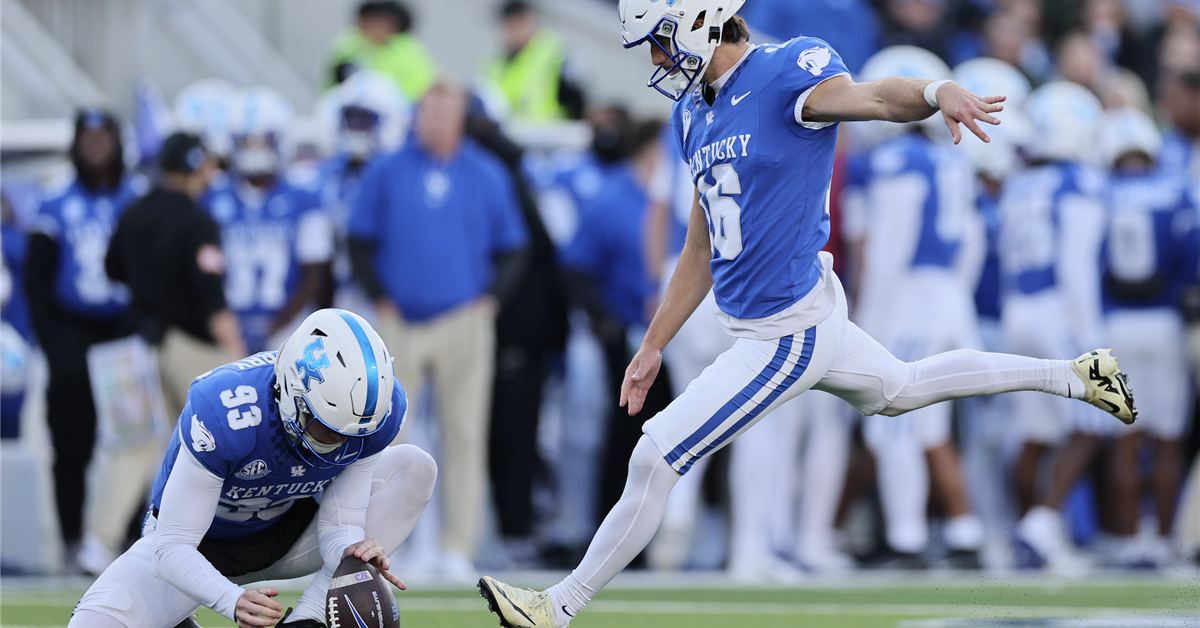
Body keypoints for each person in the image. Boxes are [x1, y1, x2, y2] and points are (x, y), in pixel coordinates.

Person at [479, 1, 1135, 625]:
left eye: (660, 37)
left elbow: (876, 98)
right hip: (776, 318)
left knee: (655, 456)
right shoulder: (691, 114)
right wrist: (654, 343)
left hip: (784, 328)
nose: (654, 56)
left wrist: (936, 93)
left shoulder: (786, 71)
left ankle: (555, 608)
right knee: (901, 389)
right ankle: (1075, 375)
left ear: (703, 22)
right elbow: (701, 245)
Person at [67, 308, 437, 628]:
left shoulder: (372, 416)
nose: (340, 444)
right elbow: (172, 546)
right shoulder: (225, 410)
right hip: (199, 548)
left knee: (415, 467)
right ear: (293, 394)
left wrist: (351, 553)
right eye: (326, 427)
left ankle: (305, 620)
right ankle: (177, 615)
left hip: (289, 536)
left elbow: (340, 522)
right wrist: (232, 600)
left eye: (352, 434)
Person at [348, 81, 529, 581]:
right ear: (416, 117)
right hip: (399, 319)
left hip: (462, 318)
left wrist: (490, 301)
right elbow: (359, 239)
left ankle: (457, 546)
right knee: (389, 439)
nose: (436, 124)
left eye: (447, 115)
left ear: (461, 119)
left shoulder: (487, 173)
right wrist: (379, 296)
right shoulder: (387, 169)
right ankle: (386, 545)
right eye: (429, 114)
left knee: (465, 432)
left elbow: (515, 246)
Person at [852, 45, 987, 570]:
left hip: (909, 296)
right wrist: (953, 298)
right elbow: (972, 242)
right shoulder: (950, 159)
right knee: (931, 428)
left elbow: (888, 247)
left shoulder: (892, 160)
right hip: (948, 294)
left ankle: (907, 540)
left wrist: (872, 315)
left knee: (891, 420)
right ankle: (963, 531)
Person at [25, 109, 147, 573]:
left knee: (133, 442)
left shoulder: (136, 198)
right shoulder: (54, 200)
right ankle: (74, 541)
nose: (96, 146)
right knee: (70, 443)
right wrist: (51, 340)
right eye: (87, 138)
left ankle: (132, 541)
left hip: (122, 329)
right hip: (71, 329)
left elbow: (148, 274)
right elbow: (36, 276)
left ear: (118, 142)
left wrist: (139, 330)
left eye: (104, 137)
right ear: (75, 144)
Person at [107, 132, 248, 419]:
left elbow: (112, 268)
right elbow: (212, 299)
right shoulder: (199, 222)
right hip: (188, 345)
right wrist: (242, 359)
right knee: (211, 436)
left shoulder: (133, 211)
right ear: (195, 164)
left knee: (131, 452)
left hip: (133, 339)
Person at [206, 87, 334, 355]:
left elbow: (314, 275)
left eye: (262, 141)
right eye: (246, 142)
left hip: (288, 330)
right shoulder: (213, 196)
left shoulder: (304, 197)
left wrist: (276, 327)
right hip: (227, 328)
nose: (255, 151)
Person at [479, 1, 585, 122]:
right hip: (505, 133)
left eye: (518, 24)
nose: (513, 32)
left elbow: (577, 99)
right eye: (508, 26)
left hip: (548, 133)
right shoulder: (494, 61)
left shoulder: (555, 53)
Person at [326, 0, 437, 101]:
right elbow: (331, 86)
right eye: (366, 20)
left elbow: (426, 90)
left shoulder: (411, 54)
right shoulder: (347, 46)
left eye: (376, 22)